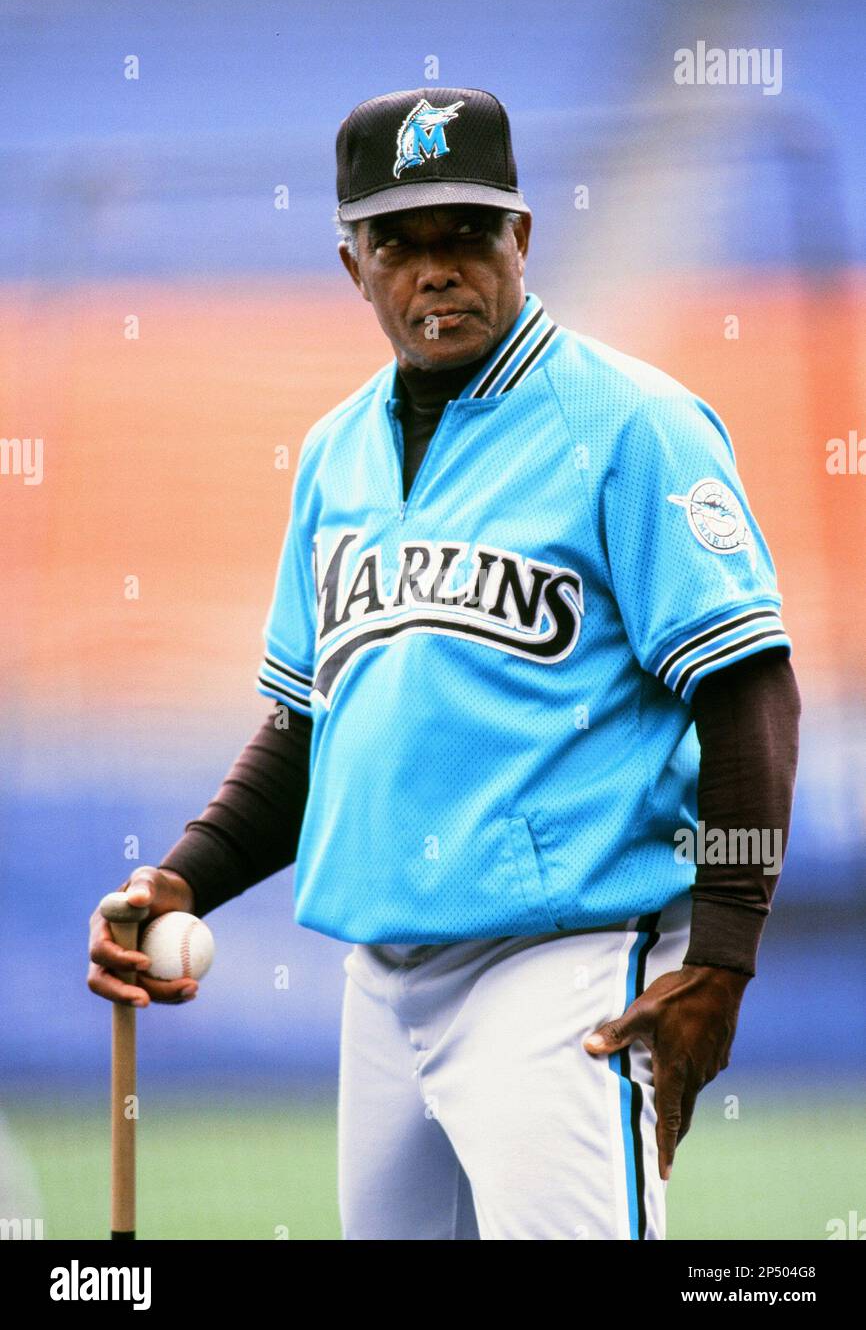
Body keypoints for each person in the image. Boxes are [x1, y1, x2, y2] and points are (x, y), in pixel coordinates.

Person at [89, 87, 801, 1241]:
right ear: (351, 264)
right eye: (400, 242)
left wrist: (720, 955)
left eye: (466, 233)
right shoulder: (331, 457)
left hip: (561, 969)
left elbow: (747, 691)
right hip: (380, 986)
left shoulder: (630, 425)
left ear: (520, 237)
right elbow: (307, 728)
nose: (437, 269)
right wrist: (184, 875)